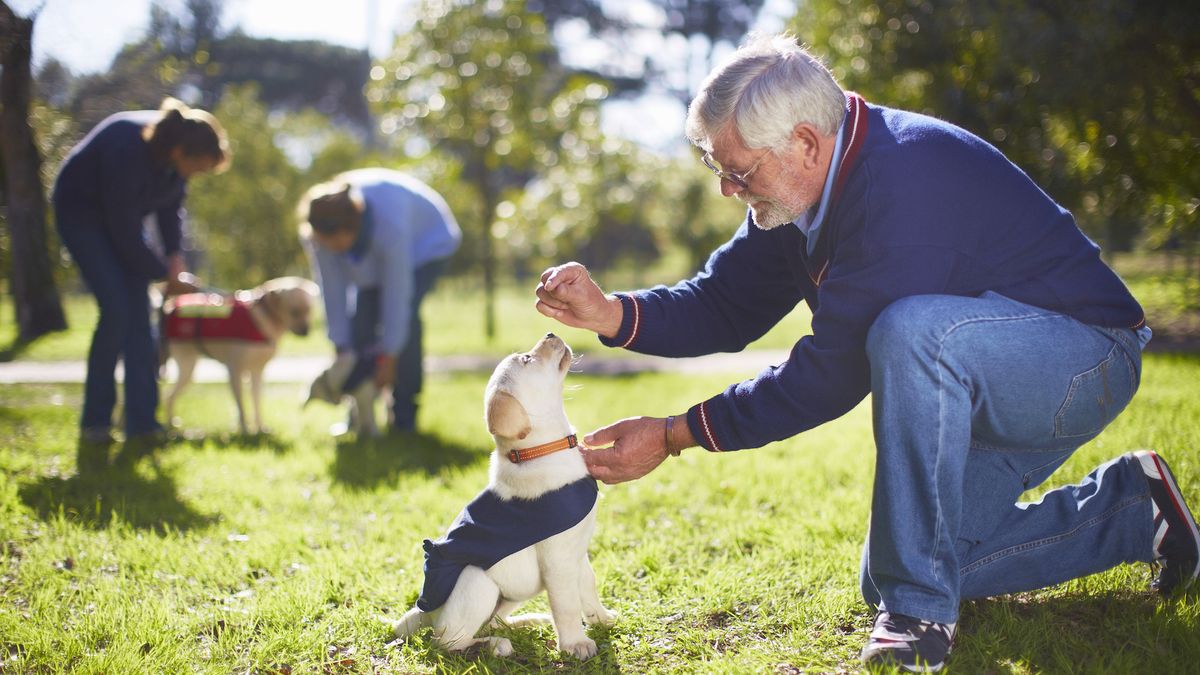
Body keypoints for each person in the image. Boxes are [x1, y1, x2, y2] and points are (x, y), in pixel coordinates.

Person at [535, 33, 1199, 672]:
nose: (727, 190)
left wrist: (675, 434)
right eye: (720, 169)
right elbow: (724, 303)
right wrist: (611, 313)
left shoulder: (901, 186)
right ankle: (1135, 510)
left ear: (803, 142)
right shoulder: (800, 190)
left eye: (738, 171)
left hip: (1081, 357)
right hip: (988, 375)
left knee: (909, 332)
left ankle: (919, 618)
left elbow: (832, 375)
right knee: (895, 564)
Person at [53, 96, 229, 447]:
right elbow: (122, 229)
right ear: (181, 152)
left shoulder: (174, 165)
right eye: (198, 168)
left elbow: (169, 212)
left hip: (122, 224)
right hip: (82, 216)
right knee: (117, 310)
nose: (196, 175)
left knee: (140, 316)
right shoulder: (127, 148)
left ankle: (142, 424)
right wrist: (164, 274)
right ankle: (96, 424)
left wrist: (174, 259)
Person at [299, 169, 461, 434]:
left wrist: (389, 357)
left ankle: (404, 417)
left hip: (427, 244)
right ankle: (358, 416)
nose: (334, 251)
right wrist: (341, 347)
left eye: (338, 244)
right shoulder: (319, 237)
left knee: (405, 322)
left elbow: (398, 298)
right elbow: (333, 292)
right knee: (359, 324)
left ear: (354, 228)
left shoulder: (390, 227)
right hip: (379, 255)